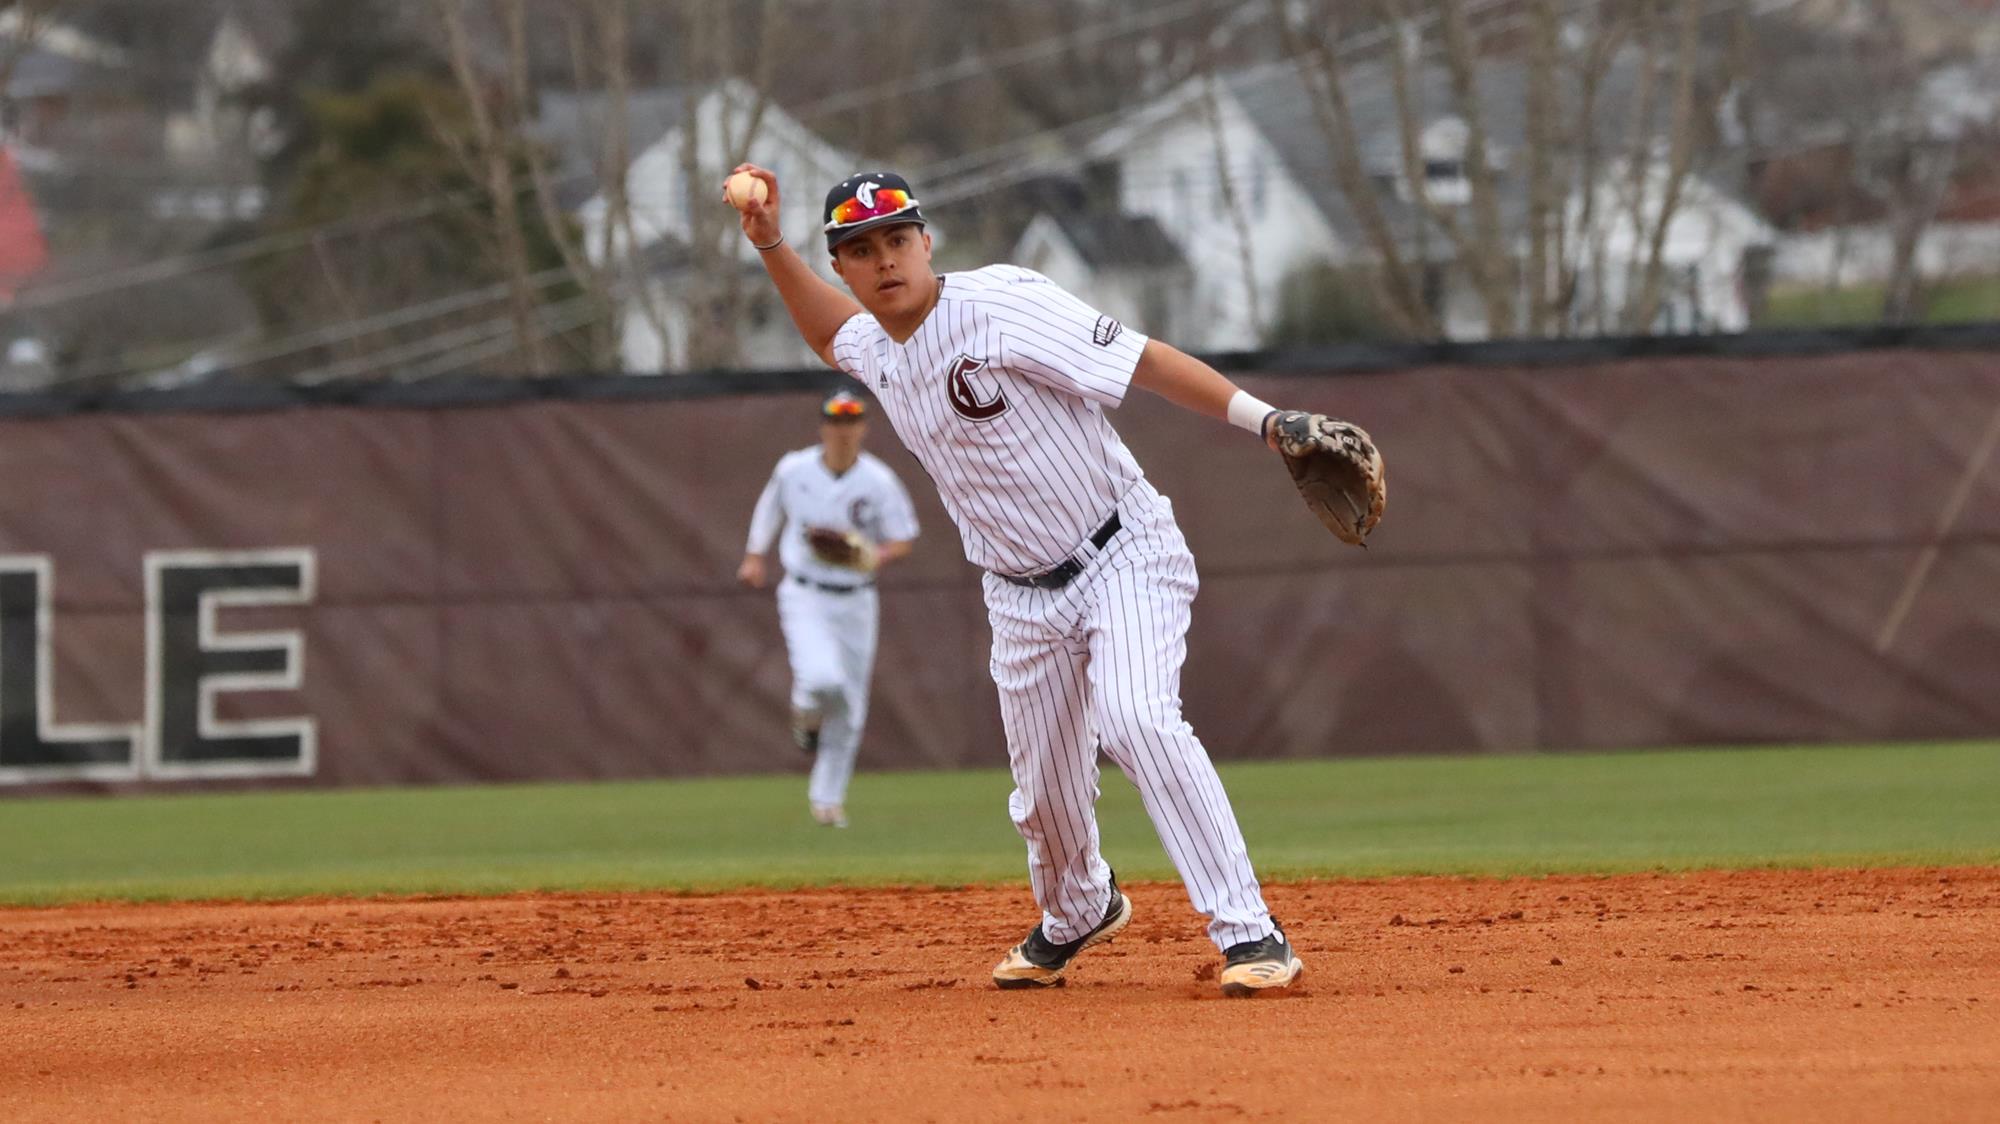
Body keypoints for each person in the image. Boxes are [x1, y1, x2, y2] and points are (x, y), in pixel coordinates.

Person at [726, 163, 1340, 996]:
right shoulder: (873, 345)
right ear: (842, 266)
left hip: (1122, 552)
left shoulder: (1002, 302)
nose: (885, 260)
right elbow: (829, 335)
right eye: (860, 249)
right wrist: (767, 240)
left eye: (898, 238)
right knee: (1045, 796)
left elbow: (1143, 362)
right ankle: (1078, 909)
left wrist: (1263, 420)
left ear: (926, 239)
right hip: (1017, 593)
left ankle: (1249, 932)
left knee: (1138, 720)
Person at [738, 389, 919, 829]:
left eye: (851, 420)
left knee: (851, 707)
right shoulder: (794, 469)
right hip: (805, 591)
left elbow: (903, 538)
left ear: (863, 427)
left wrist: (874, 556)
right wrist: (755, 554)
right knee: (821, 679)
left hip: (856, 597)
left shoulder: (878, 480)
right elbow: (770, 507)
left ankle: (827, 801)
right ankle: (804, 707)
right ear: (823, 427)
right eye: (835, 421)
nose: (843, 429)